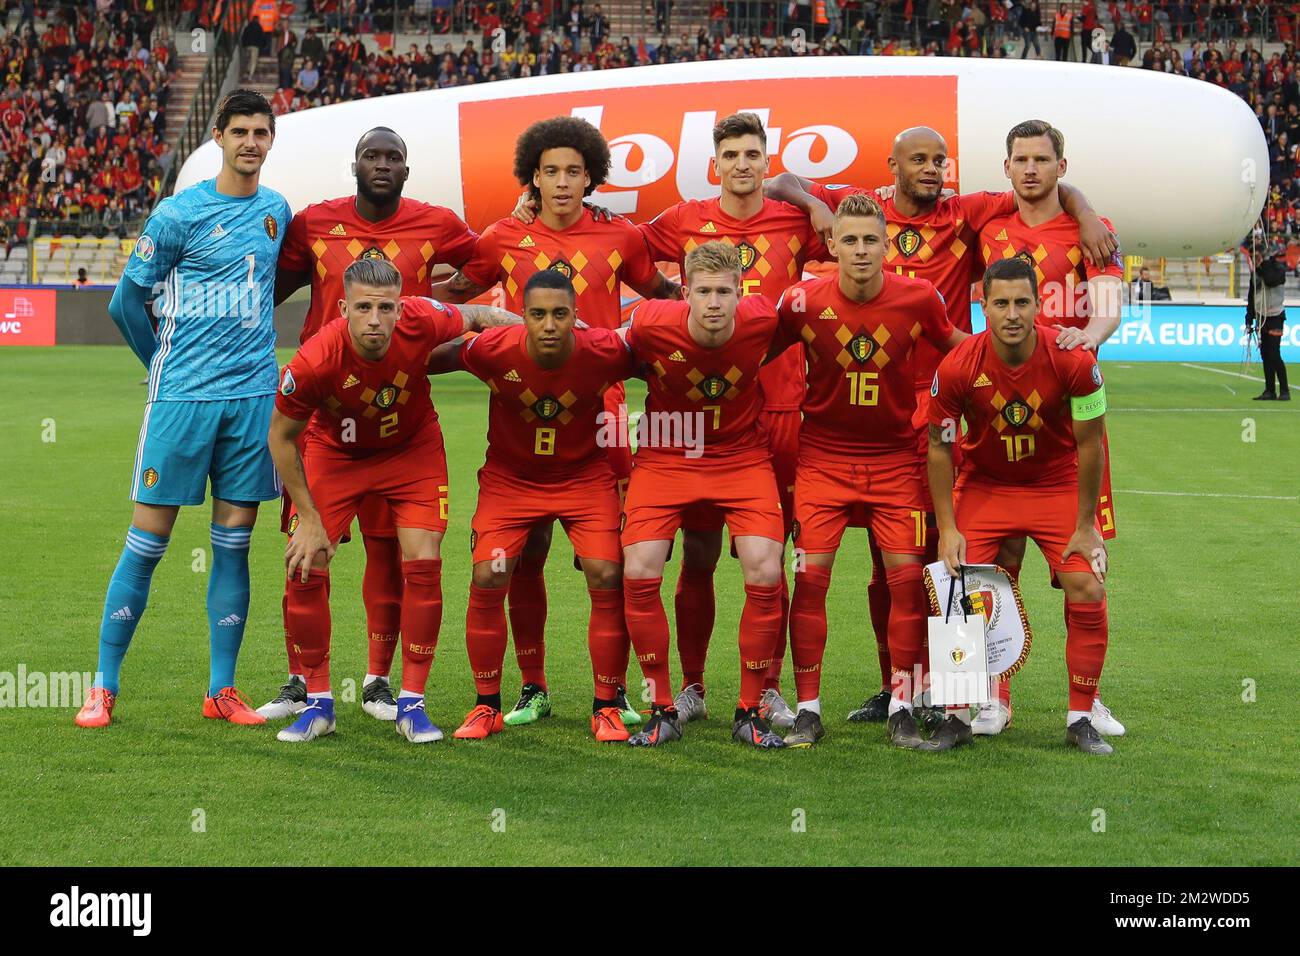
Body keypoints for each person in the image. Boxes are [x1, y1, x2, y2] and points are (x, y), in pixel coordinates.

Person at [763, 125, 1114, 724]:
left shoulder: (964, 213)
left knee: (931, 566)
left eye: (939, 160)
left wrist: (1084, 213)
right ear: (892, 166)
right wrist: (819, 208)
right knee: (897, 569)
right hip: (874, 414)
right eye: (918, 160)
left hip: (948, 412)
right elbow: (779, 180)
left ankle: (943, 689)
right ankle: (898, 687)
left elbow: (1044, 181)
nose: (931, 169)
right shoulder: (862, 208)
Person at [438, 116, 678, 727]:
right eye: (551, 171)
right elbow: (452, 300)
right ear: (532, 178)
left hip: (603, 415)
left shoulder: (621, 236)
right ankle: (532, 688)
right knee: (524, 554)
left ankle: (613, 693)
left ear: (592, 176)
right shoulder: (503, 237)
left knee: (609, 561)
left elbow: (663, 298)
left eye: (574, 171)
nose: (563, 182)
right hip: (521, 403)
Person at [75, 90, 292, 729]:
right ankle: (104, 687)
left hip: (252, 401)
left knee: (234, 545)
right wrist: (161, 372)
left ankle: (222, 690)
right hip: (182, 402)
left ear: (270, 141)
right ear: (218, 137)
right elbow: (125, 302)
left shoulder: (277, 212)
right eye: (241, 131)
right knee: (146, 545)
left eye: (261, 132)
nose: (251, 142)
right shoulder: (178, 214)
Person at [259, 127, 480, 722]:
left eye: (394, 157)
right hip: (327, 416)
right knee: (304, 551)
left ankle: (381, 682)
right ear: (354, 164)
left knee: (392, 552)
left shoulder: (434, 224)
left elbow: (483, 268)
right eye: (373, 156)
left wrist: (430, 333)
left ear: (407, 169)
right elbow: (273, 288)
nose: (383, 165)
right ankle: (302, 681)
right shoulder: (313, 223)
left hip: (397, 413)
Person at [268, 258, 522, 743]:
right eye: (363, 307)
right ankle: (319, 704)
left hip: (411, 450)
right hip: (337, 453)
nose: (374, 319)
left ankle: (412, 704)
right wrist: (309, 518)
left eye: (385, 308)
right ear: (343, 308)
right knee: (307, 561)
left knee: (424, 562)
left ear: (400, 306)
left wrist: (542, 328)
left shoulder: (423, 318)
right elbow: (281, 437)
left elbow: (478, 316)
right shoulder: (316, 358)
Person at [637, 111, 830, 730]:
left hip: (781, 408)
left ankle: (768, 687)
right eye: (732, 155)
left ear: (767, 162)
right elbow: (625, 250)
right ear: (713, 165)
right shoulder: (683, 220)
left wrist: (805, 195)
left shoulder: (796, 218)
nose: (742, 165)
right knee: (698, 551)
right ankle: (690, 685)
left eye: (754, 154)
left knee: (775, 556)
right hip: (699, 417)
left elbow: (871, 234)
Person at [777, 193, 967, 749]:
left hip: (895, 464)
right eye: (849, 240)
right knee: (810, 581)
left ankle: (902, 704)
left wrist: (1026, 352)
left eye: (871, 240)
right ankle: (808, 709)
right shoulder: (802, 302)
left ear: (888, 245)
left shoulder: (918, 298)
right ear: (831, 245)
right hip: (821, 460)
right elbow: (749, 352)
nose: (861, 250)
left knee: (907, 584)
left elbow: (959, 348)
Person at [429, 270, 640, 742]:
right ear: (521, 316)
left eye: (560, 314)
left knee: (606, 572)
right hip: (512, 480)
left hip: (584, 478)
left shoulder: (603, 351)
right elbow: (432, 358)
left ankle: (606, 704)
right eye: (538, 314)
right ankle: (488, 704)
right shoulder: (492, 349)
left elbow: (661, 360)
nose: (549, 324)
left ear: (576, 318)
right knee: (490, 574)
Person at [929, 257, 1116, 756]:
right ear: (983, 305)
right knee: (957, 585)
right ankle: (956, 715)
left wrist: (1084, 525)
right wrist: (947, 529)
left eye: (1022, 302)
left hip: (1055, 485)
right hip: (988, 485)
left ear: (1039, 304)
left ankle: (1081, 716)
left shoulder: (1074, 359)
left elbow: (1092, 445)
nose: (1012, 314)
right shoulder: (957, 366)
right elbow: (939, 448)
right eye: (1001, 303)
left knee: (1086, 583)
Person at [976, 119, 1125, 737]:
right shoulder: (983, 225)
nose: (1031, 168)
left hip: (1070, 413)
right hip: (999, 410)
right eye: (1021, 159)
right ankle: (991, 695)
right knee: (997, 563)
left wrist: (1087, 338)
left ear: (1062, 166)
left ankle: (1087, 701)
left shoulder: (1094, 231)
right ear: (1006, 167)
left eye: (1042, 159)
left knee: (1081, 565)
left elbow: (1111, 300)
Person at [618, 241, 787, 749]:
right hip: (668, 456)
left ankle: (750, 708)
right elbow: (612, 356)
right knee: (639, 566)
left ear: (741, 292)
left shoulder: (764, 321)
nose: (714, 302)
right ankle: (663, 705)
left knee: (765, 566)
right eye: (704, 292)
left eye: (724, 292)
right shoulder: (649, 323)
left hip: (741, 458)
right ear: (685, 293)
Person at [1247, 244, 1291, 400]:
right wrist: (1249, 319)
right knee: (1266, 354)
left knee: (1274, 353)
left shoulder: (1278, 269)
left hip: (1275, 316)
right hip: (1262, 317)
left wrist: (1264, 264)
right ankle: (1270, 390)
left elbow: (1271, 281)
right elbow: (1251, 298)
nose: (1254, 259)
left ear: (1264, 257)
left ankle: (1285, 390)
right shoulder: (1255, 274)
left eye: (1257, 256)